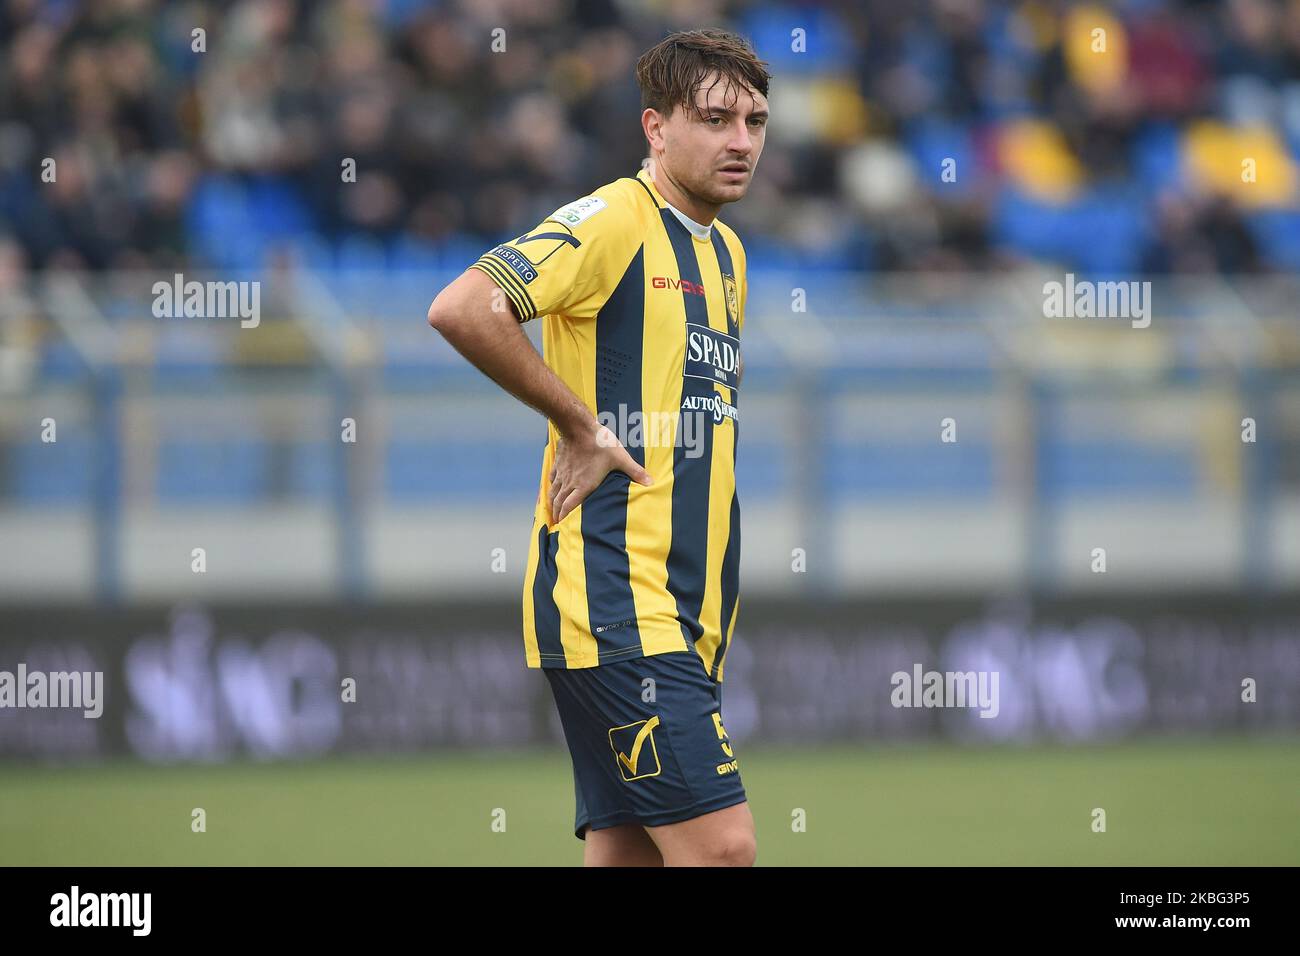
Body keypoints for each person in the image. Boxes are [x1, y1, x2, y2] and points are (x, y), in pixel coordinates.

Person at [427, 28, 769, 866]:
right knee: (723, 849)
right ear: (656, 128)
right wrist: (580, 424)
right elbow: (465, 307)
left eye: (756, 122)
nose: (741, 142)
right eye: (717, 118)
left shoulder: (727, 254)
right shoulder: (614, 219)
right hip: (614, 602)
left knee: (633, 858)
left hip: (687, 618)